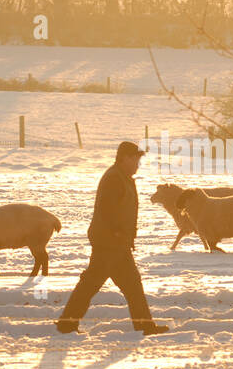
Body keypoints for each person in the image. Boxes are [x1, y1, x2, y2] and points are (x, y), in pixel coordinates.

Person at [57, 141, 169, 336]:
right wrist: (117, 231)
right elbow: (106, 209)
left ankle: (145, 326)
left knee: (131, 284)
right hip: (109, 243)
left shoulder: (121, 177)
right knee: (92, 283)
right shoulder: (114, 179)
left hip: (117, 243)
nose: (138, 164)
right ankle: (66, 324)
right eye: (136, 159)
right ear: (125, 158)